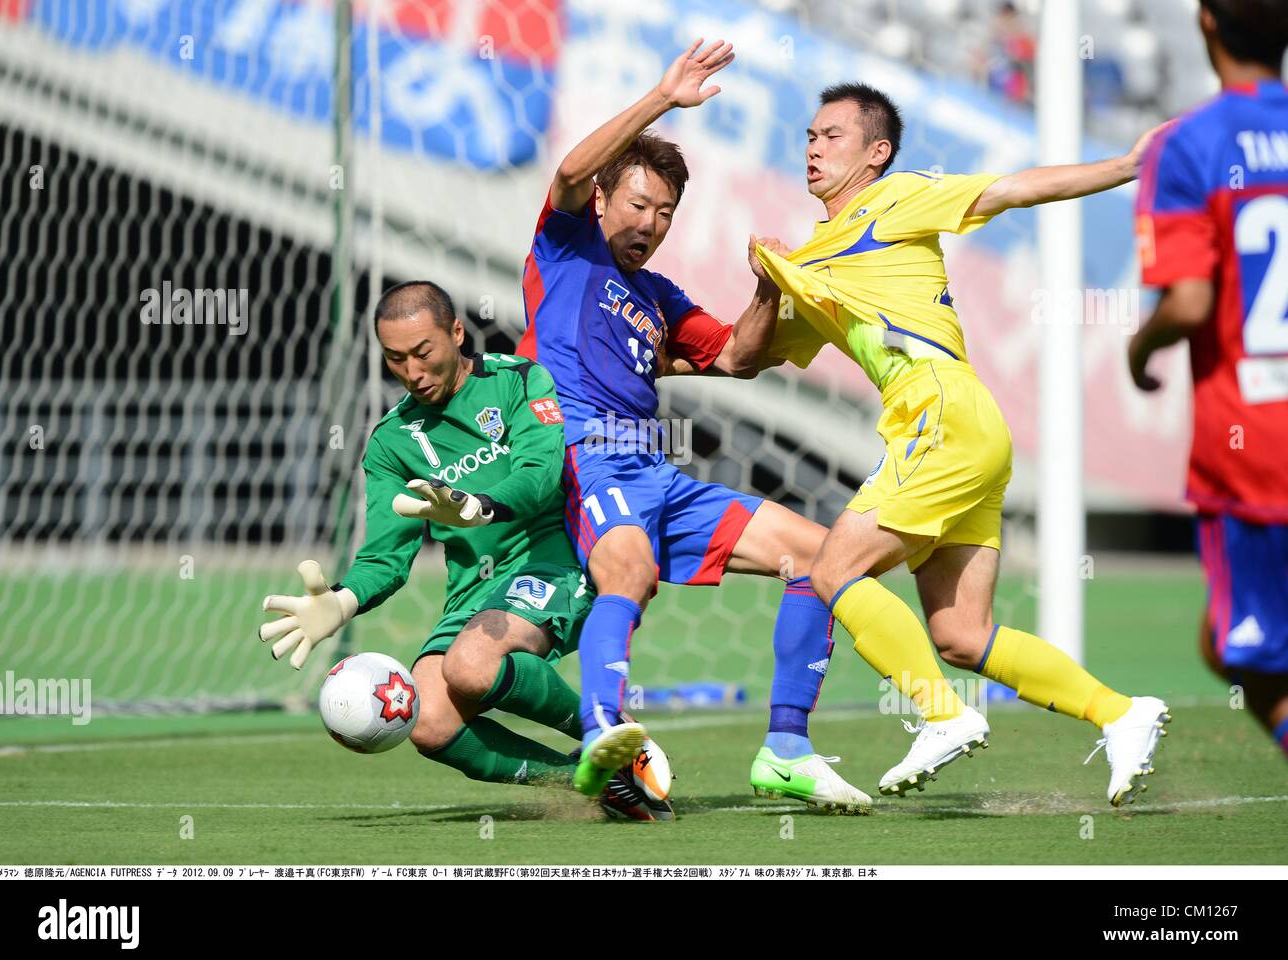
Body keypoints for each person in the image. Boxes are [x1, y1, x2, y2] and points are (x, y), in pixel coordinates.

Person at [748, 83, 1171, 806]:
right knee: (961, 633)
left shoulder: (894, 199)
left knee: (831, 569)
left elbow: (1008, 190)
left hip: (937, 413)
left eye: (832, 136)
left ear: (875, 154)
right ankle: (1121, 712)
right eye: (809, 137)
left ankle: (941, 713)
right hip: (967, 427)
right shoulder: (809, 260)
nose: (813, 148)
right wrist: (764, 285)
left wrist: (1124, 168)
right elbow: (742, 358)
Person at [518, 39, 870, 813]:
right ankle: (605, 736)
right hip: (583, 455)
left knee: (818, 554)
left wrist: (769, 285)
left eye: (667, 213)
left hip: (655, 472)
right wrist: (662, 97)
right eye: (640, 205)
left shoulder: (661, 297)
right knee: (630, 568)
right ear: (608, 202)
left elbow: (742, 357)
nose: (652, 222)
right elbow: (572, 173)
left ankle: (786, 747)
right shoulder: (566, 245)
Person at [259, 280, 671, 821]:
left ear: (457, 333)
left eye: (423, 353)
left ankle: (608, 732)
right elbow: (386, 556)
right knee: (426, 721)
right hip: (473, 595)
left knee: (472, 665)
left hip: (554, 558)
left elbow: (541, 476)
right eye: (396, 359)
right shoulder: (391, 442)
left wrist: (479, 505)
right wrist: (340, 601)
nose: (413, 372)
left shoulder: (519, 381)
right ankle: (589, 783)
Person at [1130, 0, 1288, 761]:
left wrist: (1140, 346)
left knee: (1237, 650)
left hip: (1254, 450)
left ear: (1205, 23)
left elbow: (1189, 301)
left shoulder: (1190, 144)